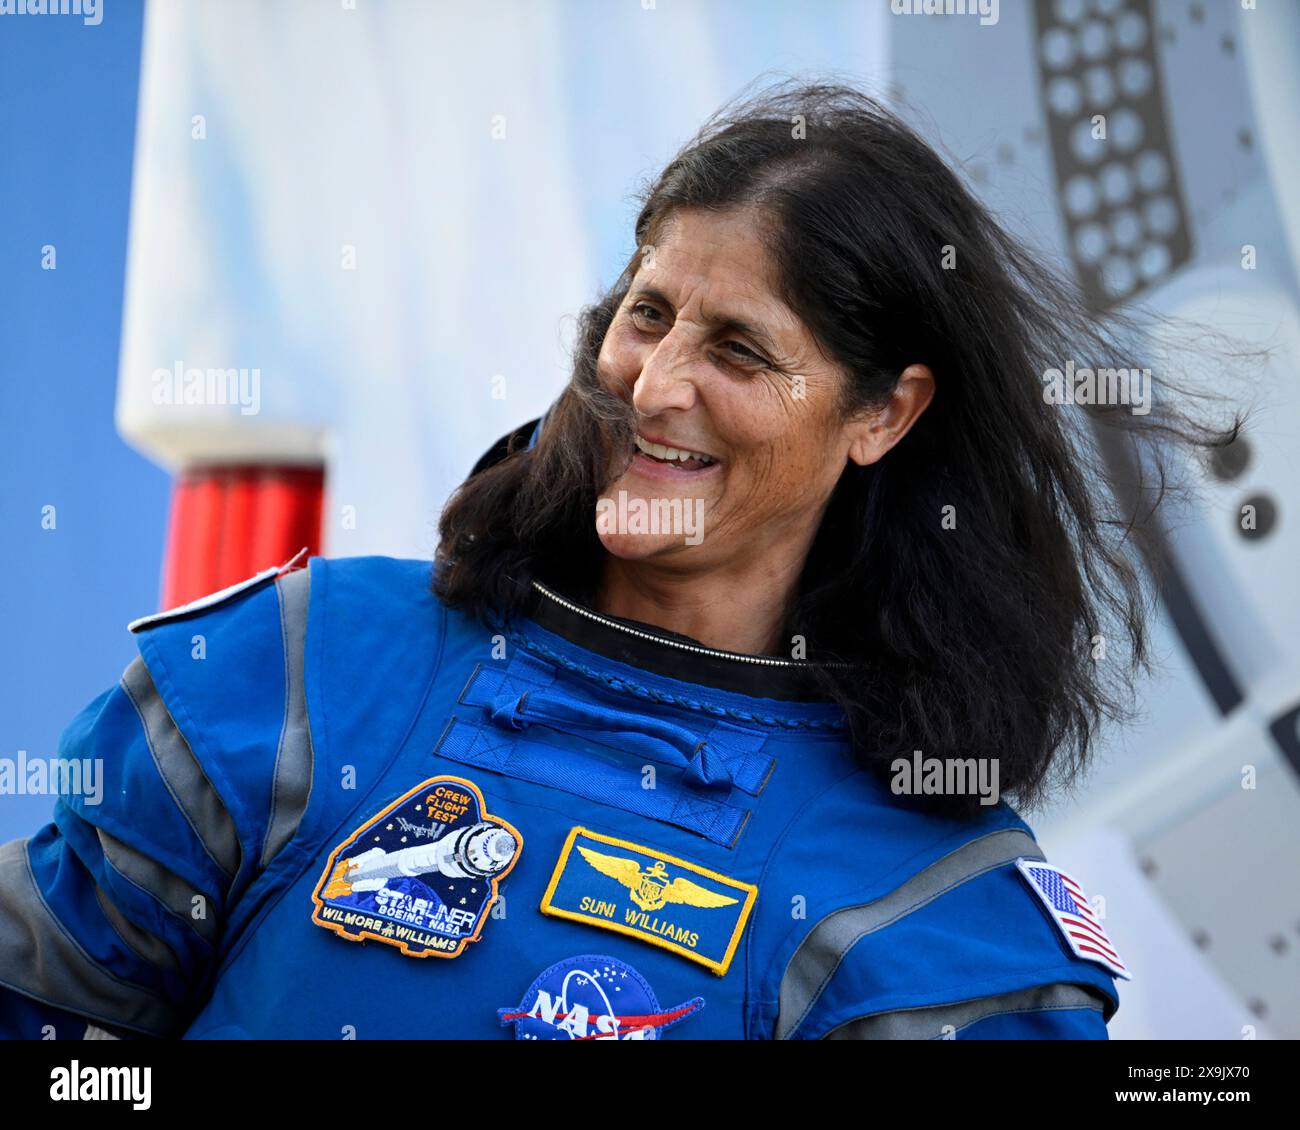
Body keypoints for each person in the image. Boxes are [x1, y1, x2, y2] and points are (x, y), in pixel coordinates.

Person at [0, 80, 1233, 1040]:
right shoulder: (303, 667)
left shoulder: (930, 912)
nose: (655, 385)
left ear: (883, 415)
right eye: (648, 315)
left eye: (740, 352)